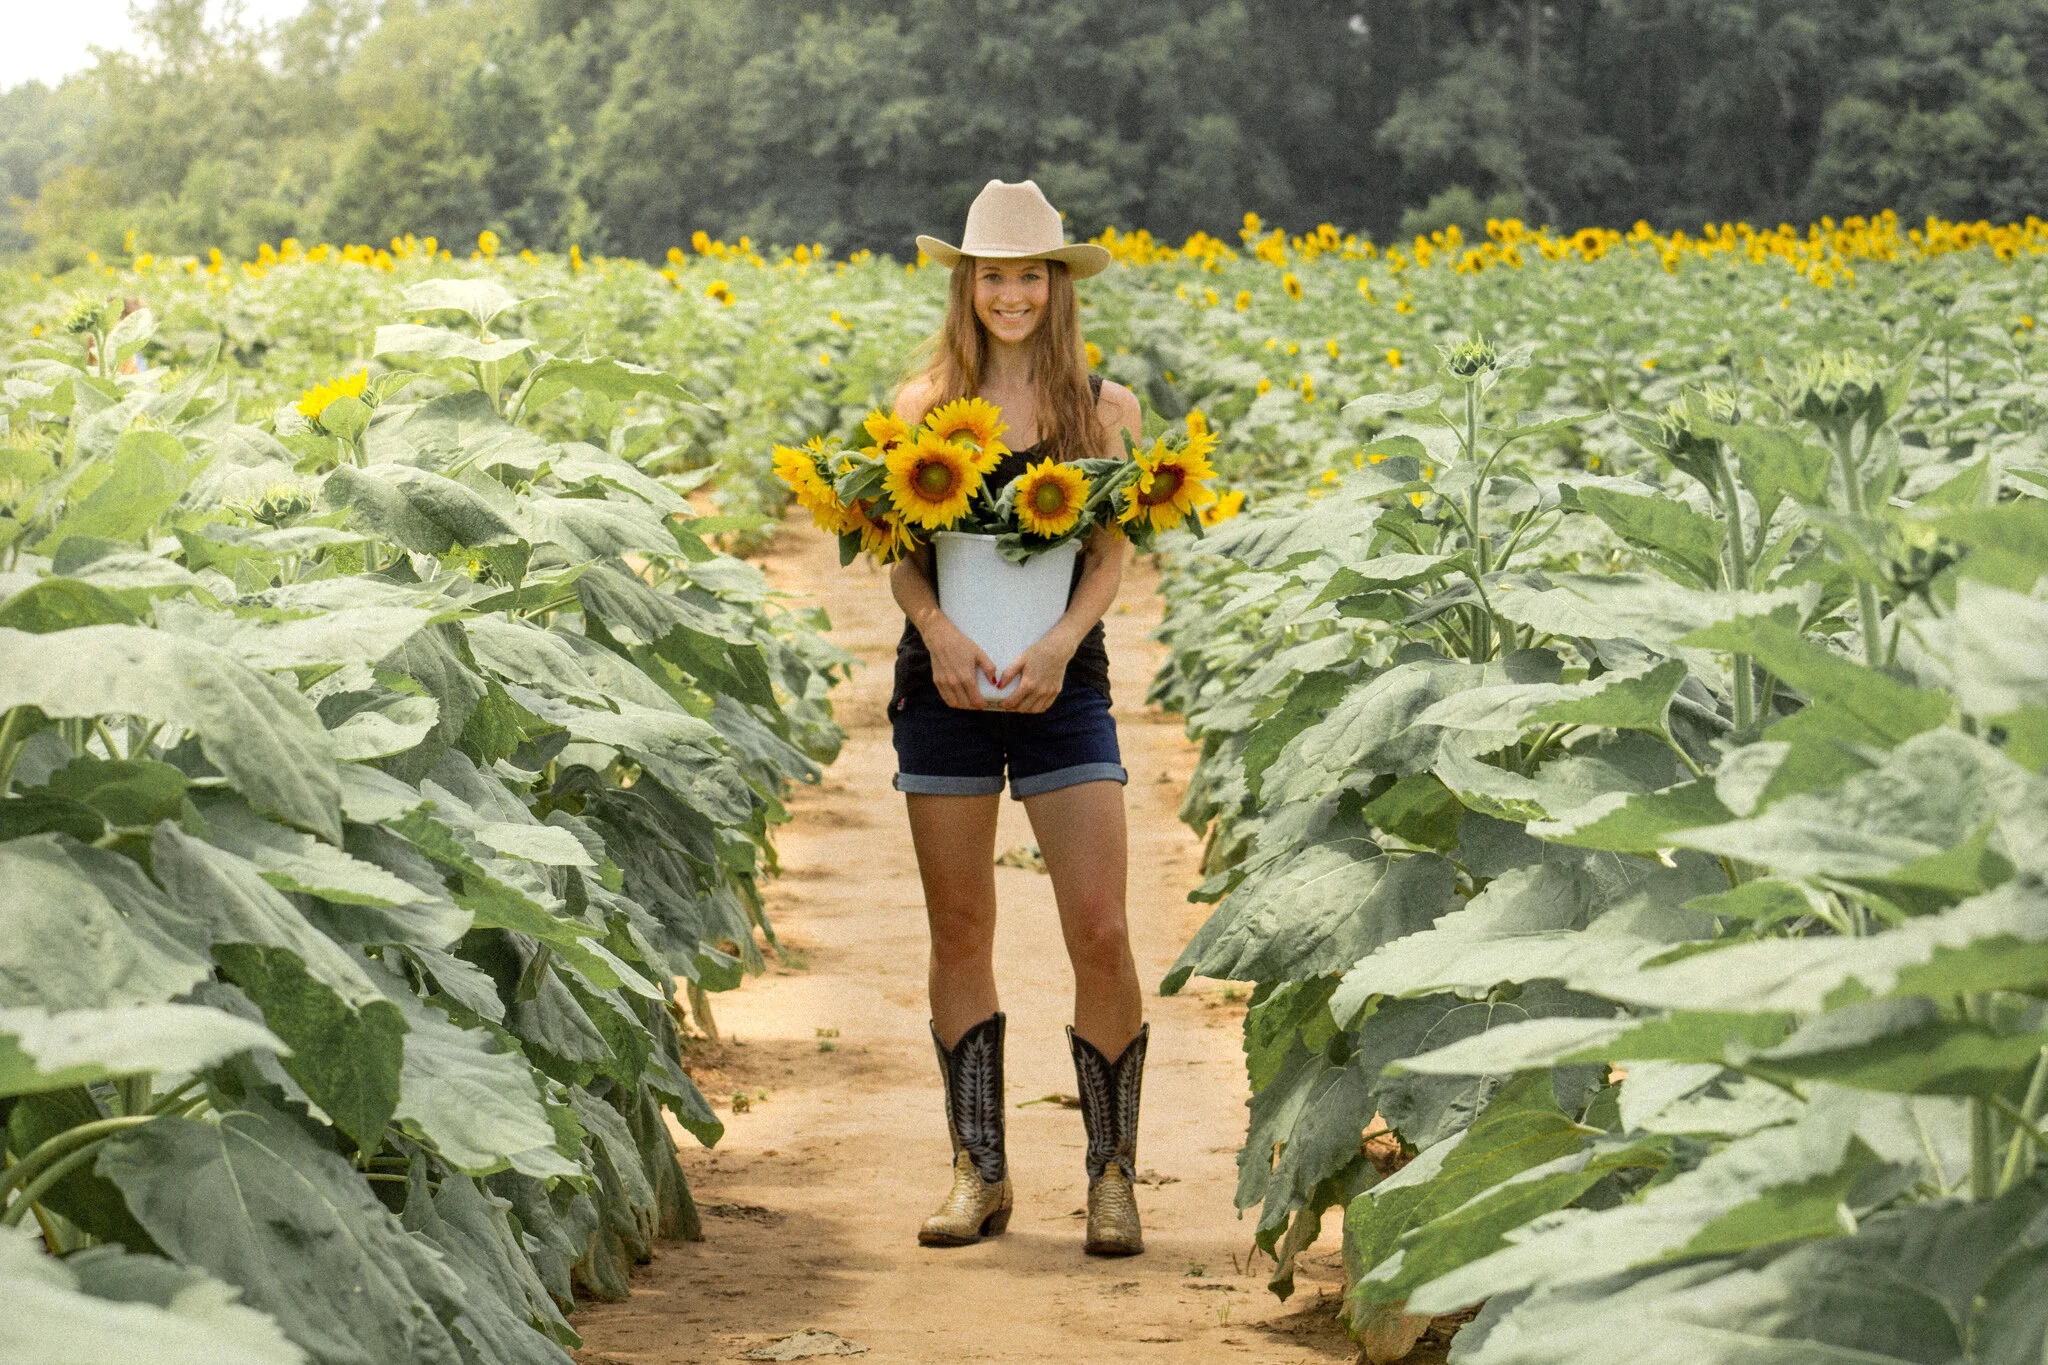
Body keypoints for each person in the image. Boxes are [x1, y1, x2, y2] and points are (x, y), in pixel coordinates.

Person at [889, 180, 1150, 1256]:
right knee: (960, 929)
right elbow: (902, 565)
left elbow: (1110, 558)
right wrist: (941, 635)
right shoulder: (919, 409)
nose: (1010, 294)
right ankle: (978, 1172)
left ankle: (1111, 1177)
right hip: (943, 689)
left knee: (1098, 925)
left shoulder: (1106, 411)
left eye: (1028, 275)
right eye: (990, 274)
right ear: (966, 284)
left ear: (1056, 285)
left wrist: (1055, 645)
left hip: (1063, 688)